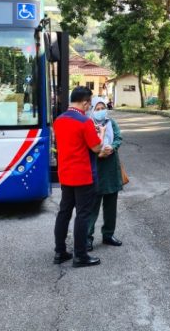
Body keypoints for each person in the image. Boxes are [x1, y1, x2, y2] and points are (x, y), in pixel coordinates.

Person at [53, 86, 103, 267]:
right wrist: (101, 134)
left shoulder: (58, 120)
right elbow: (96, 148)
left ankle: (60, 252)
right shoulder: (84, 122)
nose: (89, 107)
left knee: (64, 212)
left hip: (65, 174)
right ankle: (80, 255)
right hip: (83, 175)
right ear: (84, 102)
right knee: (83, 215)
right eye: (89, 103)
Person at [86, 97, 124, 248]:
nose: (101, 112)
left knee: (111, 205)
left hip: (111, 166)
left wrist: (112, 147)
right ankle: (87, 237)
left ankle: (108, 234)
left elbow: (119, 137)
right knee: (92, 206)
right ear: (92, 110)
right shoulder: (88, 125)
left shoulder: (111, 122)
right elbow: (87, 144)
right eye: (97, 109)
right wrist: (98, 151)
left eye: (103, 108)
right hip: (96, 167)